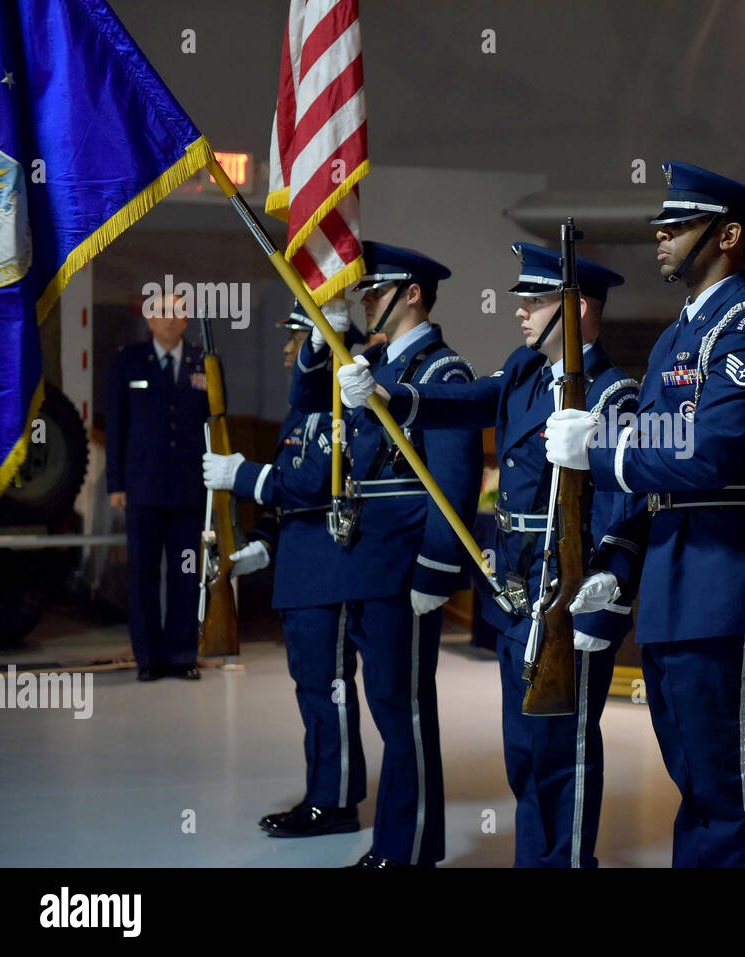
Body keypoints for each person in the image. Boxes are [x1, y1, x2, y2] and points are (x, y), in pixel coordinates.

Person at [544, 162, 745, 867]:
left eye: (679, 224)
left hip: (729, 578)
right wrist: (619, 561)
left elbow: (709, 454)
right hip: (672, 578)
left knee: (724, 785)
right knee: (692, 776)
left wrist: (598, 449)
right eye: (661, 225)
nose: (660, 236)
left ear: (728, 235)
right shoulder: (677, 338)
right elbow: (657, 467)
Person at [339, 242, 638, 867]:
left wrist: (607, 603)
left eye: (536, 300)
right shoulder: (525, 372)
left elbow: (621, 508)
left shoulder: (611, 394)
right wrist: (386, 397)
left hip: (565, 590)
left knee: (562, 749)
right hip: (513, 589)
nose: (520, 311)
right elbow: (469, 401)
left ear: (578, 308)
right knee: (523, 751)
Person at [290, 241, 483, 868]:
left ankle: (409, 849)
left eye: (376, 290)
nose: (365, 300)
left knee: (406, 711)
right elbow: (306, 403)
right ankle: (399, 843)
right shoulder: (373, 364)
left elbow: (455, 479)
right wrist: (319, 343)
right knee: (385, 702)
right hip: (366, 561)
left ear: (412, 294)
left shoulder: (442, 373)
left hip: (405, 563)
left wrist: (437, 566)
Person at [202, 301, 368, 839]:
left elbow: (313, 485)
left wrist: (242, 475)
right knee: (312, 689)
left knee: (329, 688)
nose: (286, 350)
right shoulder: (305, 407)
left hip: (327, 570)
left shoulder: (340, 406)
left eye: (296, 338)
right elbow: (292, 498)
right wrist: (265, 543)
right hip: (300, 568)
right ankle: (323, 793)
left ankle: (335, 803)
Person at [106, 293, 213, 681]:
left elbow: (215, 421)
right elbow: (116, 424)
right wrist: (116, 484)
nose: (170, 319)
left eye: (178, 312)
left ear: (186, 320)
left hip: (188, 492)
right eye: (162, 313)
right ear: (149, 320)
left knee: (185, 572)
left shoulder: (203, 361)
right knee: (143, 577)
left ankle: (182, 656)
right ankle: (148, 658)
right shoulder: (129, 361)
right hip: (143, 489)